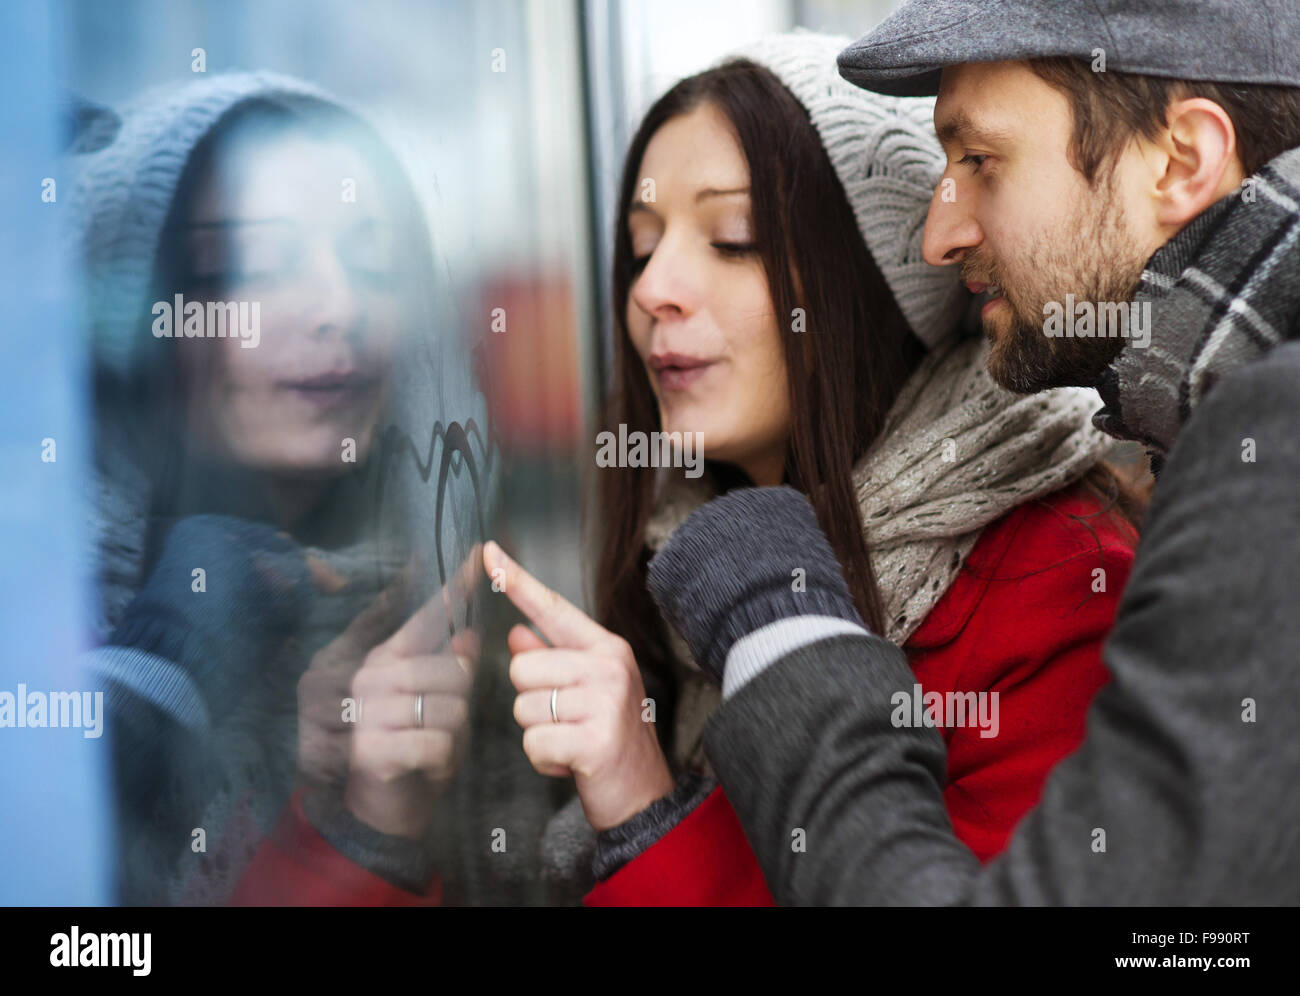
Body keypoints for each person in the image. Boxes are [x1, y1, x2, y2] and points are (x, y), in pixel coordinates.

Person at [632, 0, 1300, 904]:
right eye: (639, 248)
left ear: (1182, 160)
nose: (938, 238)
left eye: (982, 159)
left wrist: (777, 628)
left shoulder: (1270, 445)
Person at [487, 31, 1141, 905]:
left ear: (872, 282)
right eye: (642, 249)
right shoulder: (677, 549)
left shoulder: (1064, 586)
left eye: (733, 239)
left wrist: (646, 816)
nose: (652, 289)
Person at [72, 72, 488, 904]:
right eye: (252, 264)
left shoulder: (460, 654)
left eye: (377, 264)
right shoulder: (35, 651)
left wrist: (368, 831)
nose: (340, 306)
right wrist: (159, 671)